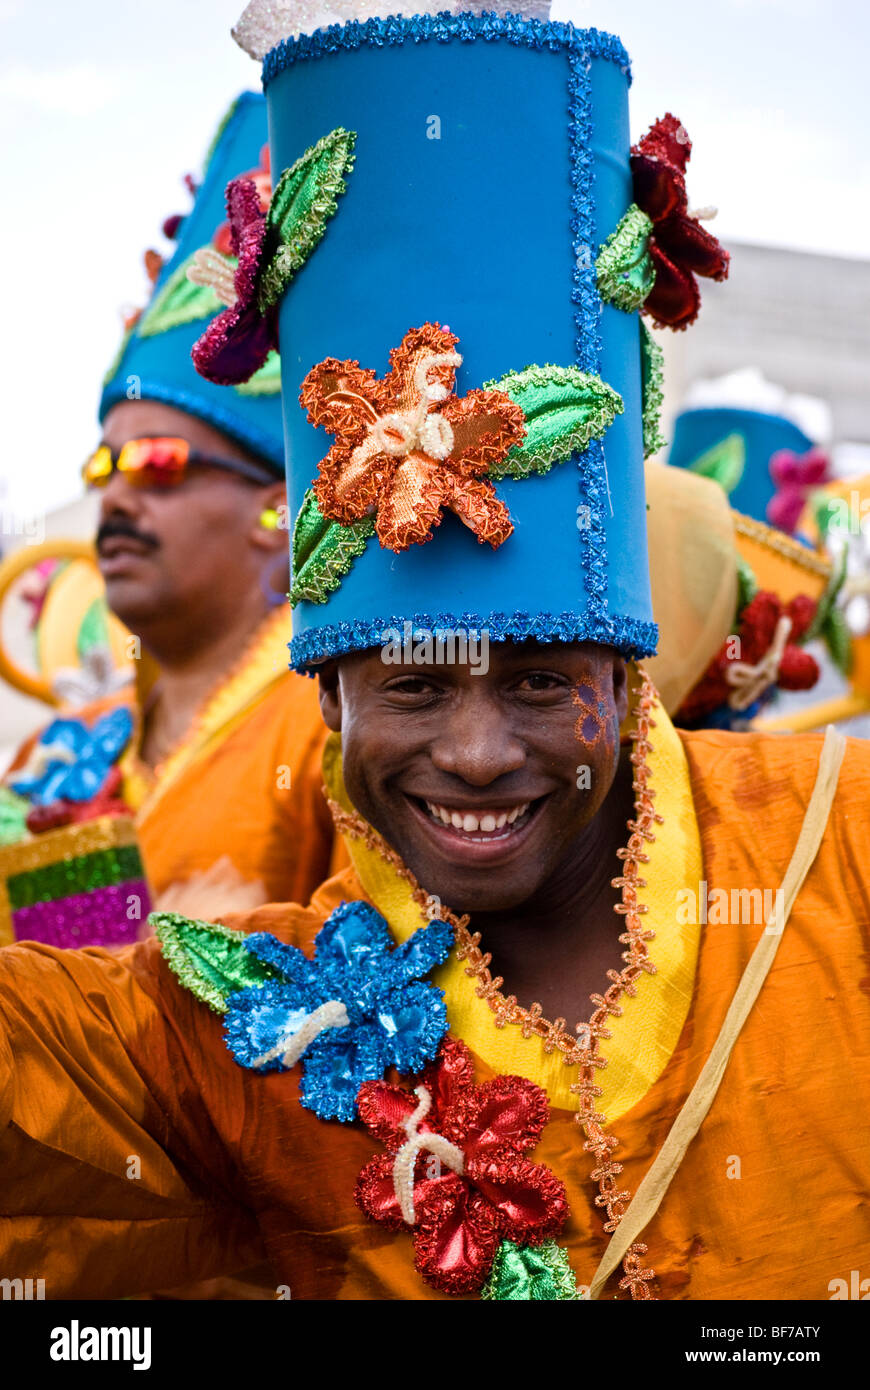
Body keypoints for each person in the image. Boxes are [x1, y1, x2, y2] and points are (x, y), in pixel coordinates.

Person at [1, 4, 867, 1303]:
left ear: (618, 678)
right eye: (410, 681)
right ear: (331, 697)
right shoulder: (237, 1025)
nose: (474, 749)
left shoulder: (831, 845)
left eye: (538, 678)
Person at [2, 93, 341, 928]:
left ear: (275, 505)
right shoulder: (62, 750)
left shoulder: (341, 721)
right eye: (103, 465)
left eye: (157, 465)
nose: (113, 495)